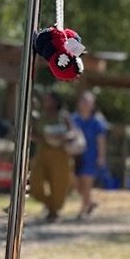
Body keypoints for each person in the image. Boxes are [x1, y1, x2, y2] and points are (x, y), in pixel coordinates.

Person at [28, 92, 77, 222]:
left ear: (56, 102)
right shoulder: (40, 117)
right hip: (42, 153)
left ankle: (54, 212)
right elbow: (33, 135)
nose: (46, 102)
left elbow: (73, 133)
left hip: (60, 154)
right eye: (44, 100)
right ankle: (50, 205)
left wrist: (62, 137)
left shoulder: (63, 116)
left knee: (59, 185)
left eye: (48, 100)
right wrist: (44, 138)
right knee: (34, 182)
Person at [70, 88, 109, 220]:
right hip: (75, 156)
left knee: (87, 182)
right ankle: (89, 202)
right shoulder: (73, 119)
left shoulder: (97, 121)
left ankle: (83, 210)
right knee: (75, 183)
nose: (86, 104)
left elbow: (101, 140)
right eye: (84, 101)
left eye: (88, 102)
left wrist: (101, 157)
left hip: (91, 155)